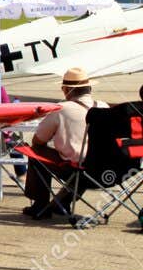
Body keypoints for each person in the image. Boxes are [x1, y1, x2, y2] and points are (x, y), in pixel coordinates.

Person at [22, 66, 106, 219]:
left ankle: (40, 205)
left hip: (77, 167)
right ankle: (61, 202)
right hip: (104, 166)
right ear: (90, 88)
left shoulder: (61, 109)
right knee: (83, 162)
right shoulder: (104, 106)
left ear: (66, 90)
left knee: (35, 151)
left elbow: (39, 139)